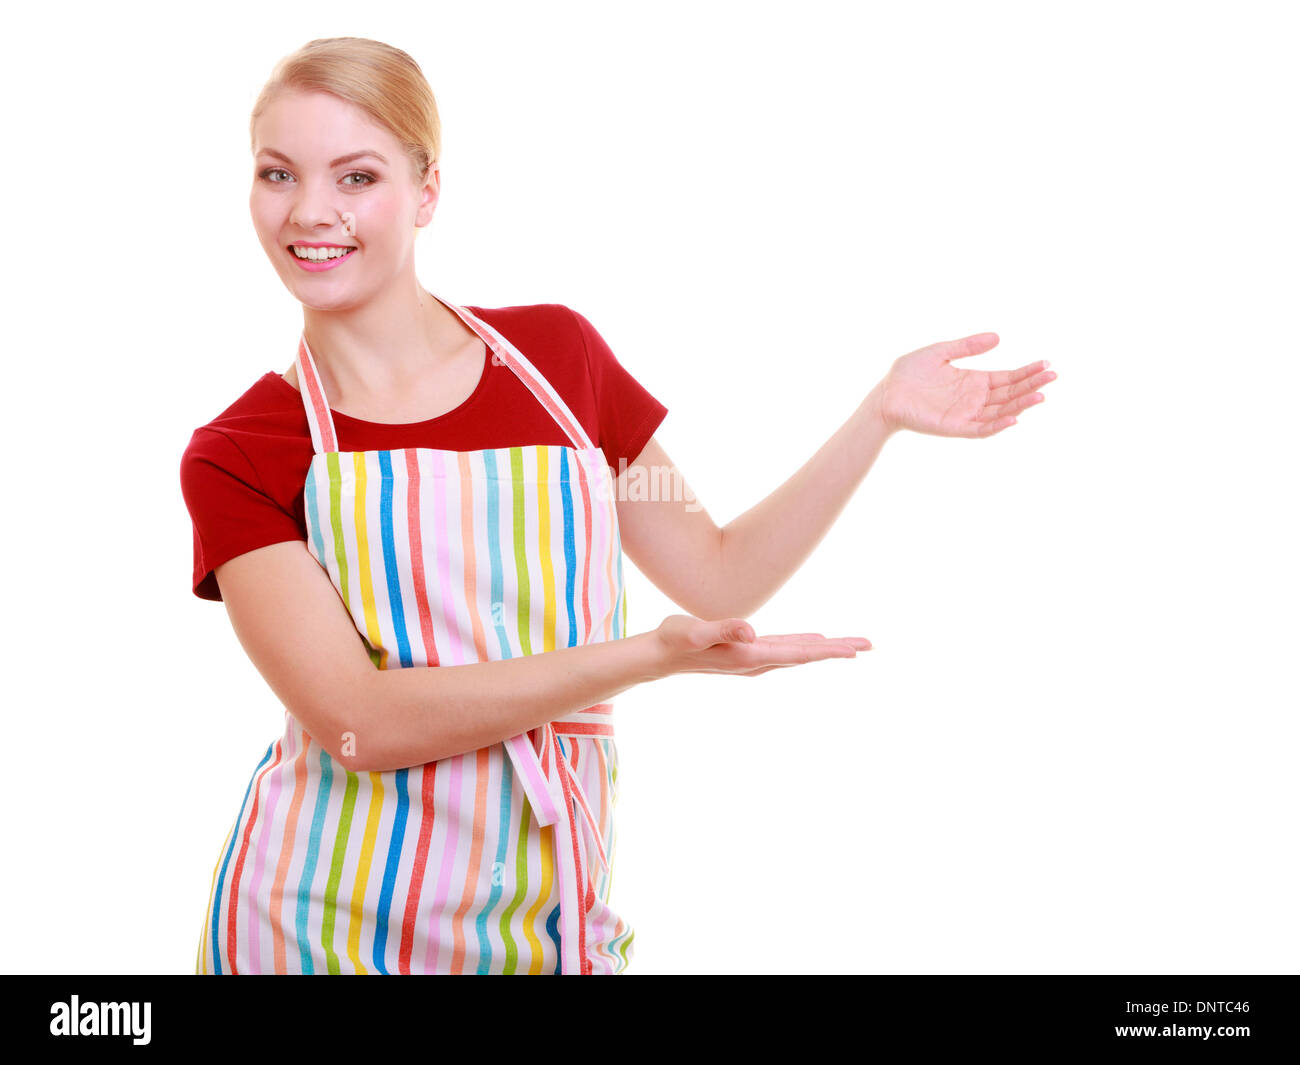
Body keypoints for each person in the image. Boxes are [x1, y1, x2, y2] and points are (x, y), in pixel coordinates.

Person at [180, 36, 1055, 976]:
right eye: (279, 174)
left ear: (428, 190)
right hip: (318, 929)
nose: (312, 212)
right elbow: (360, 724)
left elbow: (717, 569)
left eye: (357, 176)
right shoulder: (242, 455)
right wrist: (645, 657)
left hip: (546, 916)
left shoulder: (563, 369)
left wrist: (875, 417)